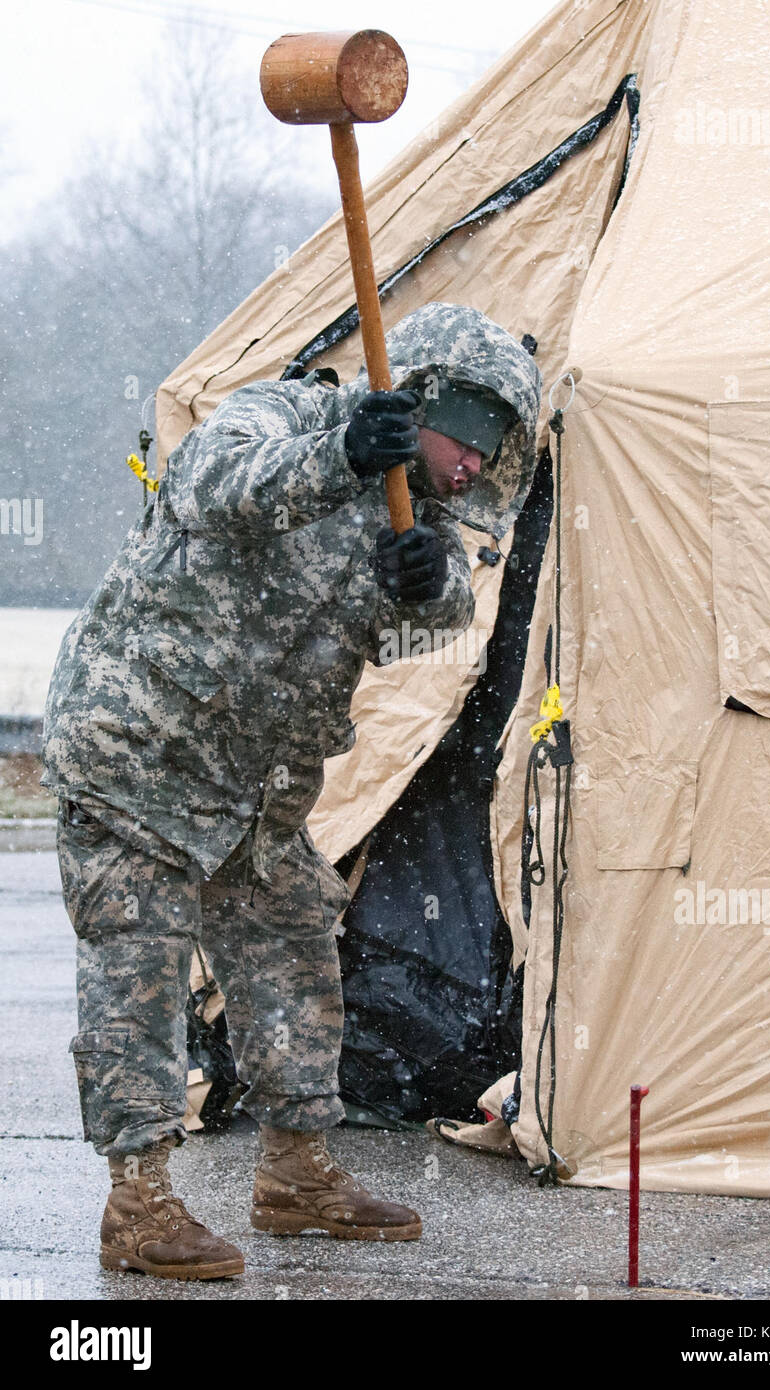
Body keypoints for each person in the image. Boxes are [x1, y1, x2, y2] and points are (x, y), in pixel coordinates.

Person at [42, 300, 542, 1280]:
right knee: (136, 959)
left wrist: (425, 574)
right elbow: (208, 485)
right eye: (471, 430)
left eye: (496, 442)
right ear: (419, 395)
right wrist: (342, 458)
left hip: (250, 765)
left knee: (289, 950)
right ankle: (136, 1204)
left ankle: (296, 1174)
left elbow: (430, 618)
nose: (478, 459)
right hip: (139, 732)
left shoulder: (414, 506)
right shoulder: (279, 417)